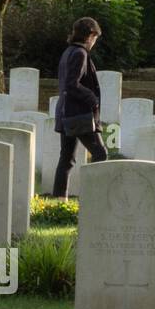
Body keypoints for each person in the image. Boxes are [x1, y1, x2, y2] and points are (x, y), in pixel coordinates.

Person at [51, 16, 109, 198]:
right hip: (78, 114)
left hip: (66, 112)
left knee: (67, 158)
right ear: (90, 35)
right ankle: (95, 196)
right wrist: (92, 98)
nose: (94, 43)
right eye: (95, 38)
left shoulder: (68, 51)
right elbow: (71, 84)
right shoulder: (80, 53)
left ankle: (60, 199)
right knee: (100, 154)